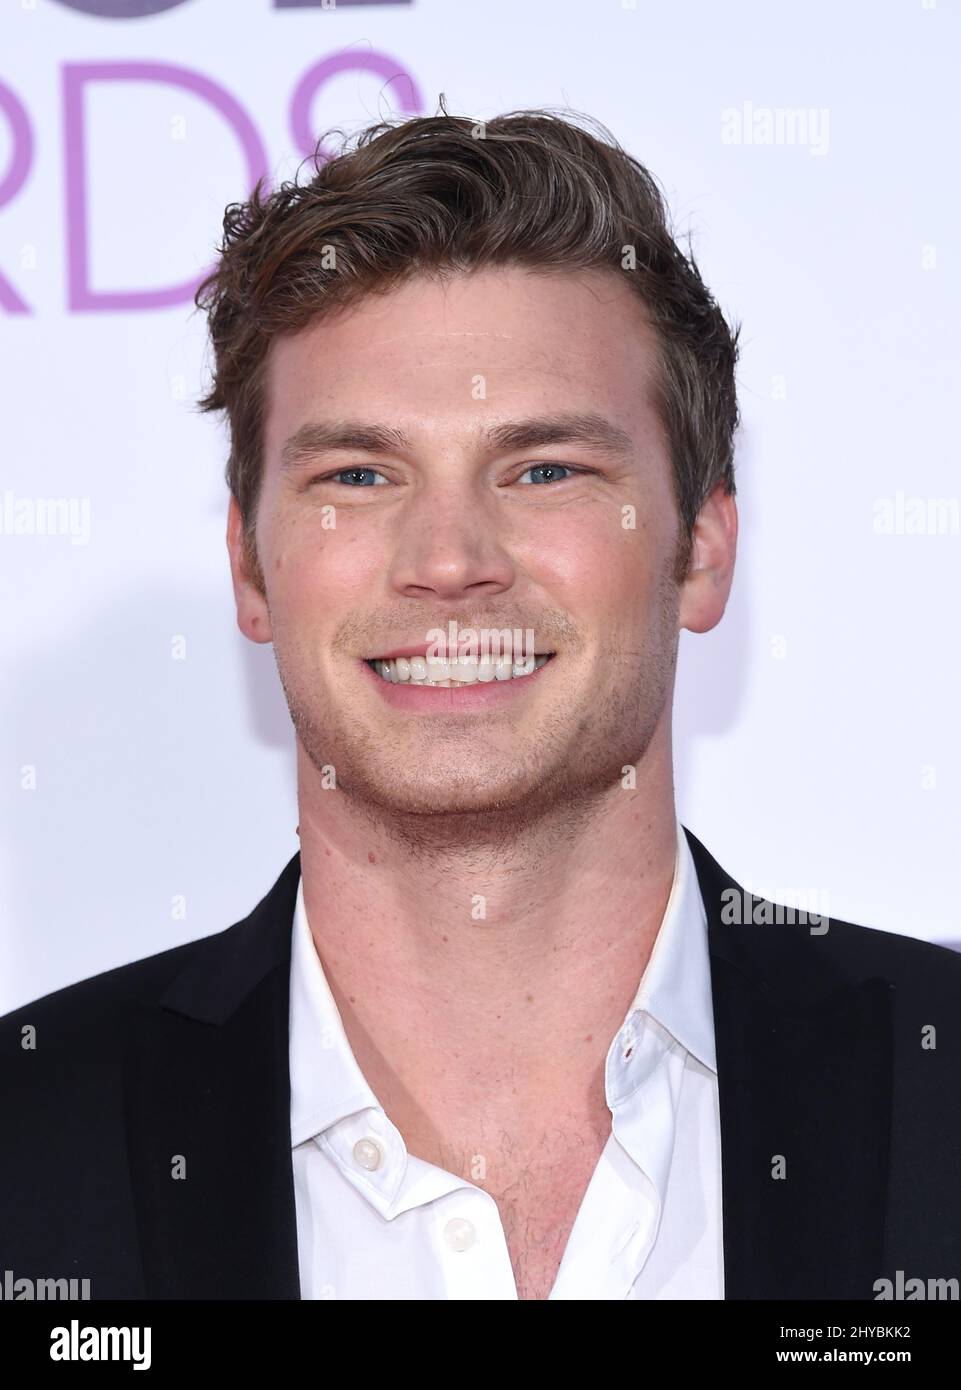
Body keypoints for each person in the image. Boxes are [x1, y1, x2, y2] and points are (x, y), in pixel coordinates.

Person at [2, 107, 959, 1302]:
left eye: (544, 469)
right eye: (358, 474)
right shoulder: (30, 1141)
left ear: (704, 546)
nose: (449, 559)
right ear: (251, 568)